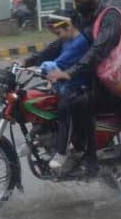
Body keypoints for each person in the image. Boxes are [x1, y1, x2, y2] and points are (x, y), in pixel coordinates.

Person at [38, 0, 121, 174]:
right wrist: (30, 60)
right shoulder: (80, 17)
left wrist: (69, 72)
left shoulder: (110, 17)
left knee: (73, 101)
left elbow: (97, 51)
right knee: (45, 96)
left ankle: (89, 157)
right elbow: (60, 43)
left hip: (108, 83)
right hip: (87, 78)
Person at [34, 17, 92, 173]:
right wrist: (26, 62)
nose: (57, 37)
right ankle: (42, 138)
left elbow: (58, 63)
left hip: (79, 86)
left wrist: (41, 68)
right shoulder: (65, 40)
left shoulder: (80, 42)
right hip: (64, 84)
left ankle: (62, 151)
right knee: (39, 98)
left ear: (69, 26)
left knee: (65, 106)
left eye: (58, 32)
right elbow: (46, 54)